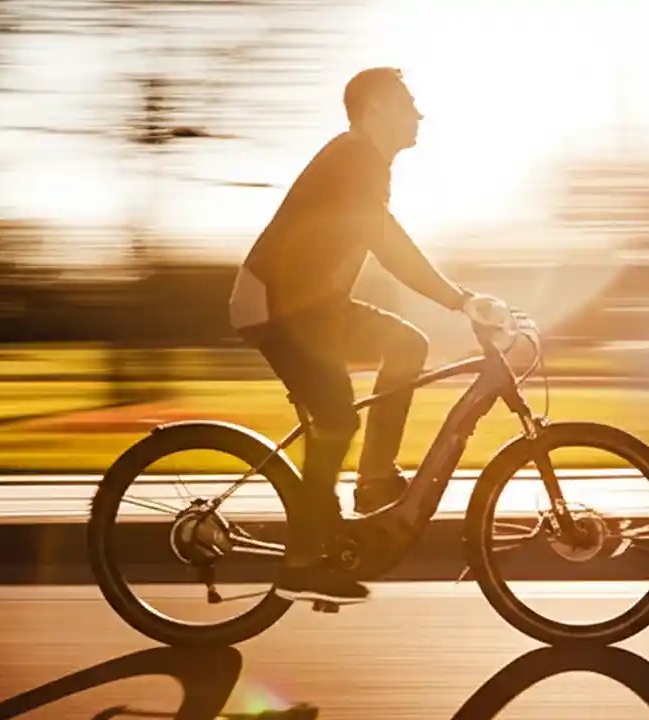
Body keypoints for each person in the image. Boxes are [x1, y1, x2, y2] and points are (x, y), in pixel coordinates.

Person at [229, 67, 501, 604]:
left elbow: (380, 235)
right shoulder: (353, 156)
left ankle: (373, 478)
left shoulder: (366, 163)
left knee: (407, 345)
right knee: (335, 415)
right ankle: (301, 564)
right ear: (375, 108)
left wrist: (457, 297)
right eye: (408, 103)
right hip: (276, 305)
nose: (418, 114)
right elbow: (387, 242)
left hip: (316, 308)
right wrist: (459, 298)